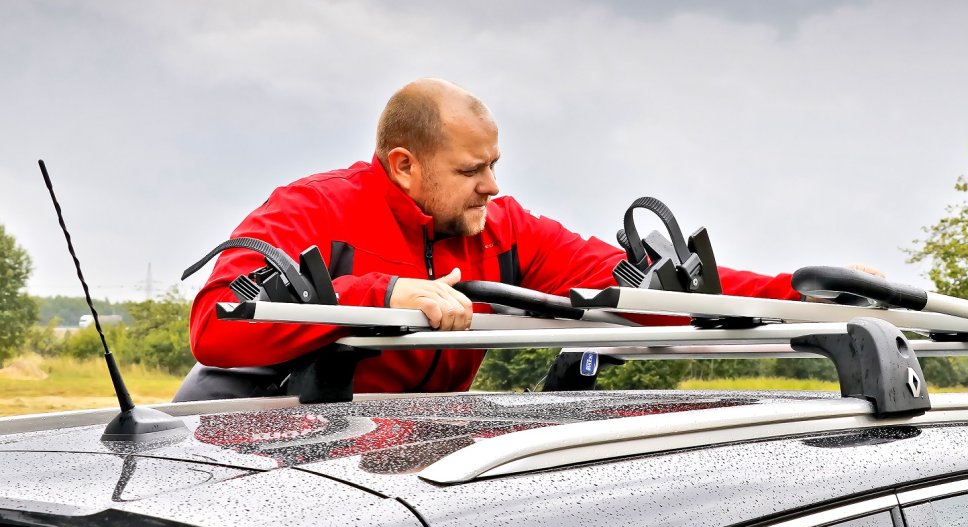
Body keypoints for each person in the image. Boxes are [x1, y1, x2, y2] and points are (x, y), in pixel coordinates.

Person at [177, 79, 822, 400]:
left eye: (494, 165)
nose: (490, 186)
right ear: (403, 165)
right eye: (469, 171)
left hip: (414, 474)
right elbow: (216, 323)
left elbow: (626, 282)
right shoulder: (312, 210)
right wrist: (383, 295)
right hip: (282, 465)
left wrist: (801, 294)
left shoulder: (504, 230)